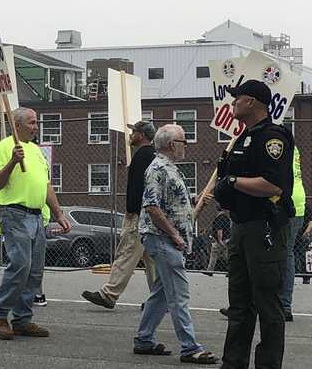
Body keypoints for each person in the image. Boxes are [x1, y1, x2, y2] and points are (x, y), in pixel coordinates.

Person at [213, 80, 294, 369]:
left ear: (253, 103)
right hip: (241, 225)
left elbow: (273, 184)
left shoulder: (273, 138)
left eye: (238, 99)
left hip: (264, 229)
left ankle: (268, 364)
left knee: (267, 304)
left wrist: (233, 182)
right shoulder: (241, 138)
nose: (232, 103)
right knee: (239, 304)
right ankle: (233, 363)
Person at [133, 124, 217, 364]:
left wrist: (196, 201)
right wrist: (174, 234)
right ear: (171, 145)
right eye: (183, 141)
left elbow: (174, 203)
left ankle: (144, 339)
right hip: (162, 239)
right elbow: (152, 206)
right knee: (178, 294)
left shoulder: (171, 169)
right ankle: (190, 347)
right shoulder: (158, 168)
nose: (186, 146)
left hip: (168, 238)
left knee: (161, 293)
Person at [0, 108, 71, 340]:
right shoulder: (4, 147)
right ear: (17, 125)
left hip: (37, 216)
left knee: (35, 271)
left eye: (36, 123)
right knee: (20, 265)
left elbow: (46, 186)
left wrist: (59, 214)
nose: (36, 127)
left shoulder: (36, 151)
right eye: (32, 123)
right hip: (15, 214)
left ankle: (23, 319)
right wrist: (13, 161)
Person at [82, 121, 157, 309]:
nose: (130, 135)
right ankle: (160, 299)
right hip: (150, 216)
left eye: (134, 132)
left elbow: (140, 188)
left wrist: (133, 212)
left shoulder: (141, 156)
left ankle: (109, 294)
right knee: (152, 260)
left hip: (139, 216)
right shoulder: (153, 155)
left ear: (142, 135)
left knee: (126, 253)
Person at [282, 146, 306, 321]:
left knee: (258, 253)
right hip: (297, 201)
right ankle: (284, 305)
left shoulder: (273, 139)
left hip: (283, 202)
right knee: (286, 254)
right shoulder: (291, 144)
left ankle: (246, 304)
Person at [205, 208, 231, 275]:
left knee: (214, 254)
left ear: (217, 211)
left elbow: (220, 230)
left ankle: (210, 270)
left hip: (221, 241)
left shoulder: (219, 218)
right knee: (227, 256)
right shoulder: (227, 218)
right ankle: (231, 270)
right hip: (227, 239)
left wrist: (220, 240)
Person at [34, 203, 50, 307]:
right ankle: (37, 294)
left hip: (35, 217)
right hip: (40, 217)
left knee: (32, 260)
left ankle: (37, 294)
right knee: (36, 260)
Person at [295, 204, 312, 285]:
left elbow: (311, 221)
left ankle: (306, 277)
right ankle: (292, 275)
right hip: (293, 234)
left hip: (302, 235)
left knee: (302, 256)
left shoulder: (305, 206)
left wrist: (307, 231)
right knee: (291, 256)